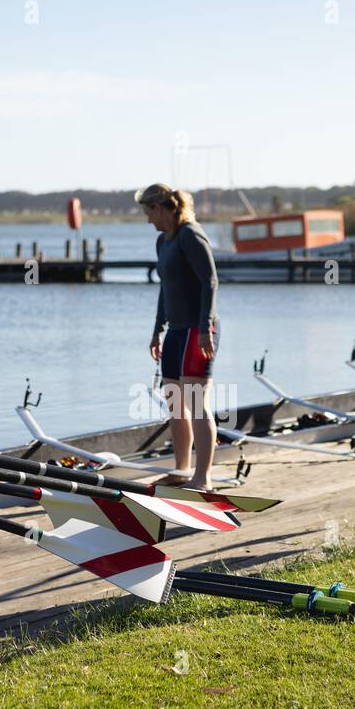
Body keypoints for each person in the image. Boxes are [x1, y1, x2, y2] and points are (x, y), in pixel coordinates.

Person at [137, 183, 219, 490]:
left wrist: (206, 328)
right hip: (175, 332)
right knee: (175, 403)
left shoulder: (190, 234)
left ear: (161, 208)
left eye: (148, 213)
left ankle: (203, 478)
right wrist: (158, 329)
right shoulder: (163, 241)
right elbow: (166, 287)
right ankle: (183, 470)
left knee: (196, 403)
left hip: (197, 331)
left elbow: (210, 281)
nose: (148, 220)